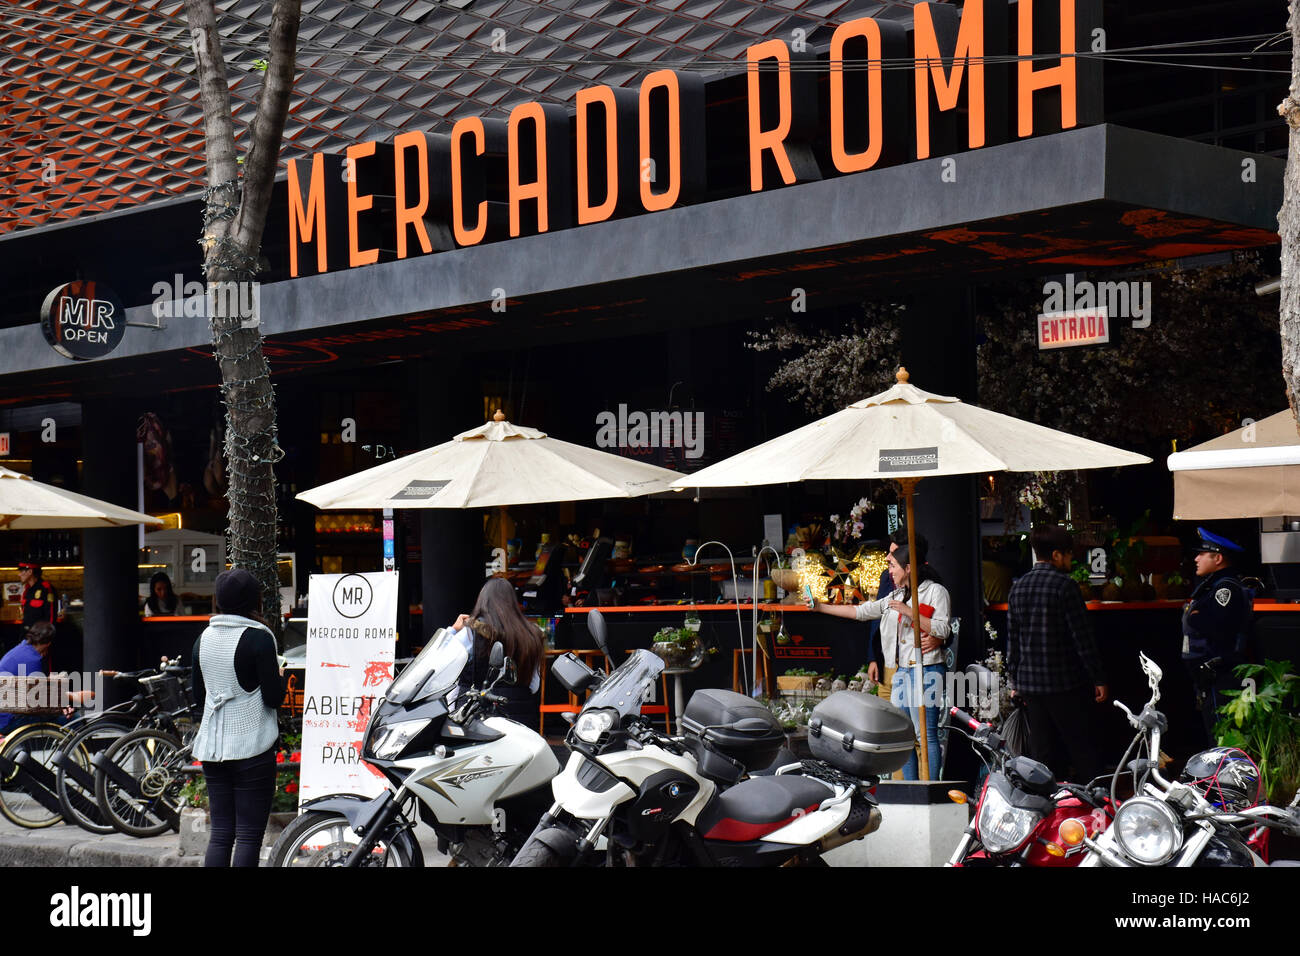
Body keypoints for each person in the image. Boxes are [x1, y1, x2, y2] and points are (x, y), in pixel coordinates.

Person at [808, 543, 950, 780]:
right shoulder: (894, 595)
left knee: (926, 734)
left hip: (927, 669)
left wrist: (908, 611)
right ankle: (911, 788)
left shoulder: (935, 592)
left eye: (893, 566)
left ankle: (932, 789)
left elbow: (944, 629)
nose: (889, 572)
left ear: (907, 568)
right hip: (902, 671)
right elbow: (861, 612)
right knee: (905, 736)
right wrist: (820, 607)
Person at [191, 569, 283, 868]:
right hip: (252, 747)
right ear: (253, 599)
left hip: (213, 749)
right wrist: (281, 677)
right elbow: (273, 698)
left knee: (220, 835)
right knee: (248, 836)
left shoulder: (202, 639)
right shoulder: (259, 639)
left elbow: (199, 697)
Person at [1005, 526, 1108, 784]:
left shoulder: (1017, 588)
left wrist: (1013, 681)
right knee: (1081, 745)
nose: (1071, 560)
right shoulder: (1065, 586)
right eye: (1069, 554)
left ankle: (1048, 803)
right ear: (1056, 555)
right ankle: (1098, 802)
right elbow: (1082, 638)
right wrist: (1098, 678)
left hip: (1030, 684)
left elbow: (1013, 641)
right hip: (1064, 682)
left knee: (1042, 750)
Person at [1181, 527, 1251, 746]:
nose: (1196, 558)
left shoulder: (1226, 588)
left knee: (1222, 741)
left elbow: (1216, 627)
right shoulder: (1211, 586)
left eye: (1202, 553)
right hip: (1208, 676)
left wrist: (1194, 617)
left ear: (1218, 558)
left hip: (1220, 674)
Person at [446, 576, 543, 727]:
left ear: (483, 600)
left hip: (476, 717)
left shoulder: (471, 631)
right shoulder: (532, 633)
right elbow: (534, 685)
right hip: (520, 719)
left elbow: (443, 659)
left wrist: (452, 631)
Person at [17, 560, 58, 630]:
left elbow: (51, 615)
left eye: (21, 572)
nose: (19, 574)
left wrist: (47, 634)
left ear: (30, 572)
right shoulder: (27, 589)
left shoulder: (46, 588)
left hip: (40, 634)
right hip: (26, 631)